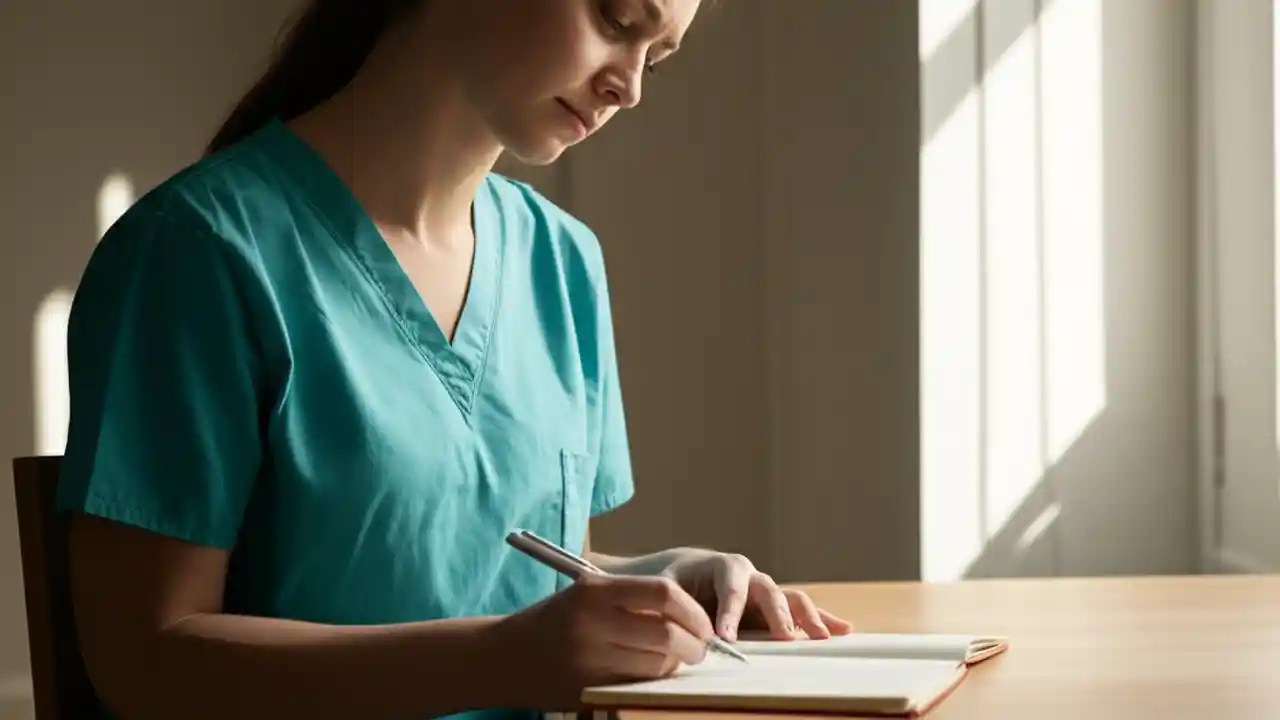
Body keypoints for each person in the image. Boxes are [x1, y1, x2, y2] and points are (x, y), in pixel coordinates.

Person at [57, 1, 854, 718]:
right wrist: (499, 660)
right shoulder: (200, 254)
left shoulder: (563, 262)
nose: (630, 87)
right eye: (616, 21)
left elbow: (461, 554)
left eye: (659, 55)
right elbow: (144, 664)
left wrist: (662, 579)